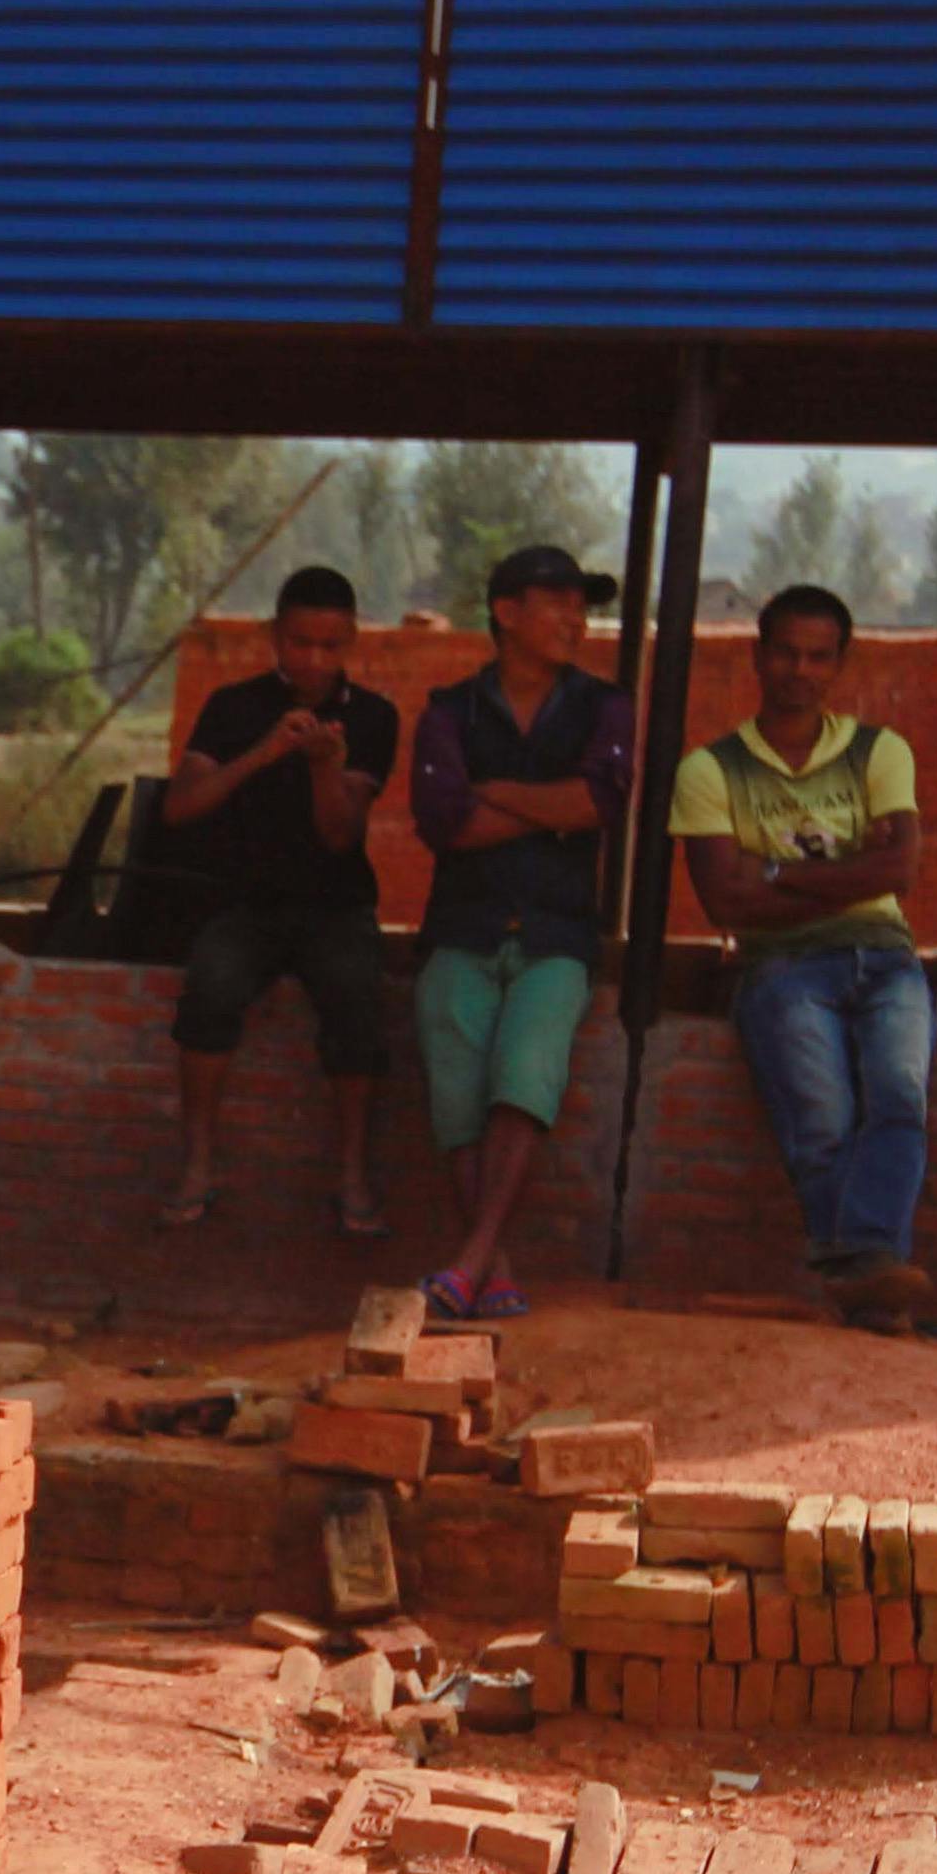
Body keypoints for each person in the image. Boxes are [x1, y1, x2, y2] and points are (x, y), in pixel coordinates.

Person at [674, 582, 934, 1332]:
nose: (800, 669)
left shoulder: (878, 750)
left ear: (839, 664)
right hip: (781, 967)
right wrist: (847, 873)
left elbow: (898, 871)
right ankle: (871, 1276)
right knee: (821, 1119)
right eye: (785, 652)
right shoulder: (711, 768)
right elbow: (723, 903)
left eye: (818, 656)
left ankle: (864, 1268)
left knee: (898, 1096)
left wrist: (777, 875)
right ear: (757, 656)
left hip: (885, 955)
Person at [406, 543, 633, 1325]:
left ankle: (467, 1259)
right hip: (462, 927)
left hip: (555, 933)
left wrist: (495, 791)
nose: (576, 619)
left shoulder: (604, 707)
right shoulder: (448, 708)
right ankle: (492, 1266)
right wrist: (548, 803)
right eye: (559, 602)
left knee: (524, 1078)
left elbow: (596, 806)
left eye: (582, 605)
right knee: (457, 1097)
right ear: (506, 612)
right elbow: (444, 824)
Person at [160, 563, 399, 1237]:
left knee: (357, 1002)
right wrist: (262, 754)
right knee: (208, 987)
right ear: (274, 636)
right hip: (245, 905)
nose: (314, 659)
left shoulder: (373, 718)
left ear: (350, 640)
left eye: (330, 646)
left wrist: (325, 765)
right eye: (300, 643)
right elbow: (180, 808)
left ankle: (350, 1174)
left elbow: (338, 833)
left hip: (335, 907)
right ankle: (197, 1164)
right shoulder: (232, 708)